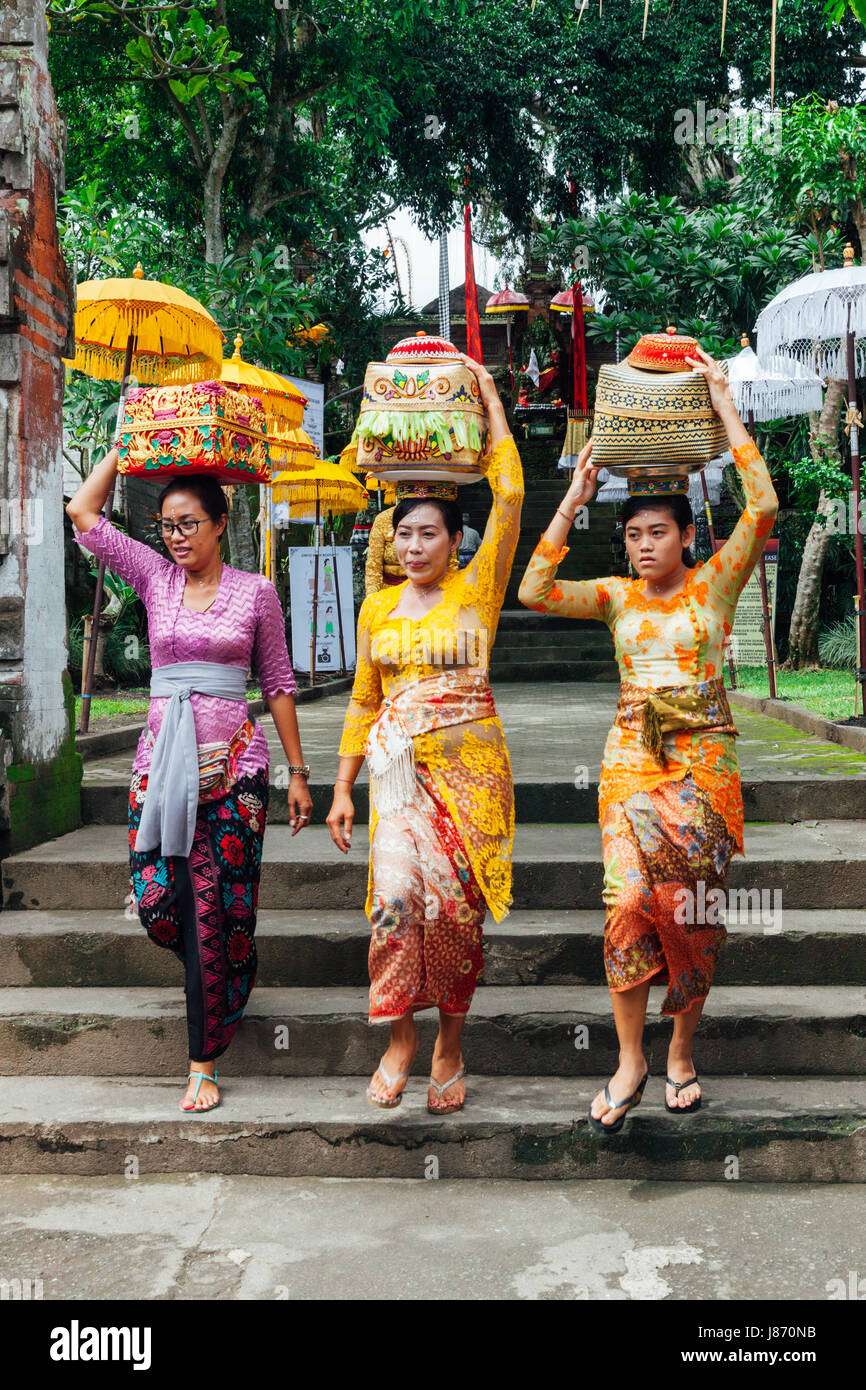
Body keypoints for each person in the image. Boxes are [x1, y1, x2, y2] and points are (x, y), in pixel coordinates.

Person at [518, 345, 778, 1132]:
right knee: (628, 902)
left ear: (688, 535)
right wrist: (573, 499)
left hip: (704, 766)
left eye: (657, 532)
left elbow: (762, 507)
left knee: (692, 912)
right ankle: (631, 1057)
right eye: (631, 534)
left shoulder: (716, 583)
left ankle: (681, 1052)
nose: (642, 545)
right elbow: (532, 588)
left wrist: (724, 401)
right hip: (631, 762)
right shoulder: (614, 597)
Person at [67, 450, 313, 1114]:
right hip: (159, 766)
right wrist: (127, 451)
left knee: (213, 910)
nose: (176, 537)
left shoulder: (256, 592)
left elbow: (280, 685)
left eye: (189, 524)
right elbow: (83, 513)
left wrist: (297, 772)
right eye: (168, 526)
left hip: (237, 772)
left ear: (219, 523)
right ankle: (233, 969)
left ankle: (201, 1064)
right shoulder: (152, 579)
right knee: (158, 902)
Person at [326, 355, 524, 1114]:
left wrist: (491, 394)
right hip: (398, 778)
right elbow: (362, 700)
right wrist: (342, 788)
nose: (414, 547)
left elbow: (508, 491)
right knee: (396, 902)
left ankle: (449, 1040)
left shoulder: (479, 588)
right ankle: (399, 1036)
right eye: (403, 533)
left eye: (428, 535)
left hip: (473, 778)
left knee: (457, 912)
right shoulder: (377, 609)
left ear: (454, 541)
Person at [364, 505, 405, 595]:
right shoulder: (384, 519)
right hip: (391, 592)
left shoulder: (439, 515)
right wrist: (372, 598)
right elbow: (373, 565)